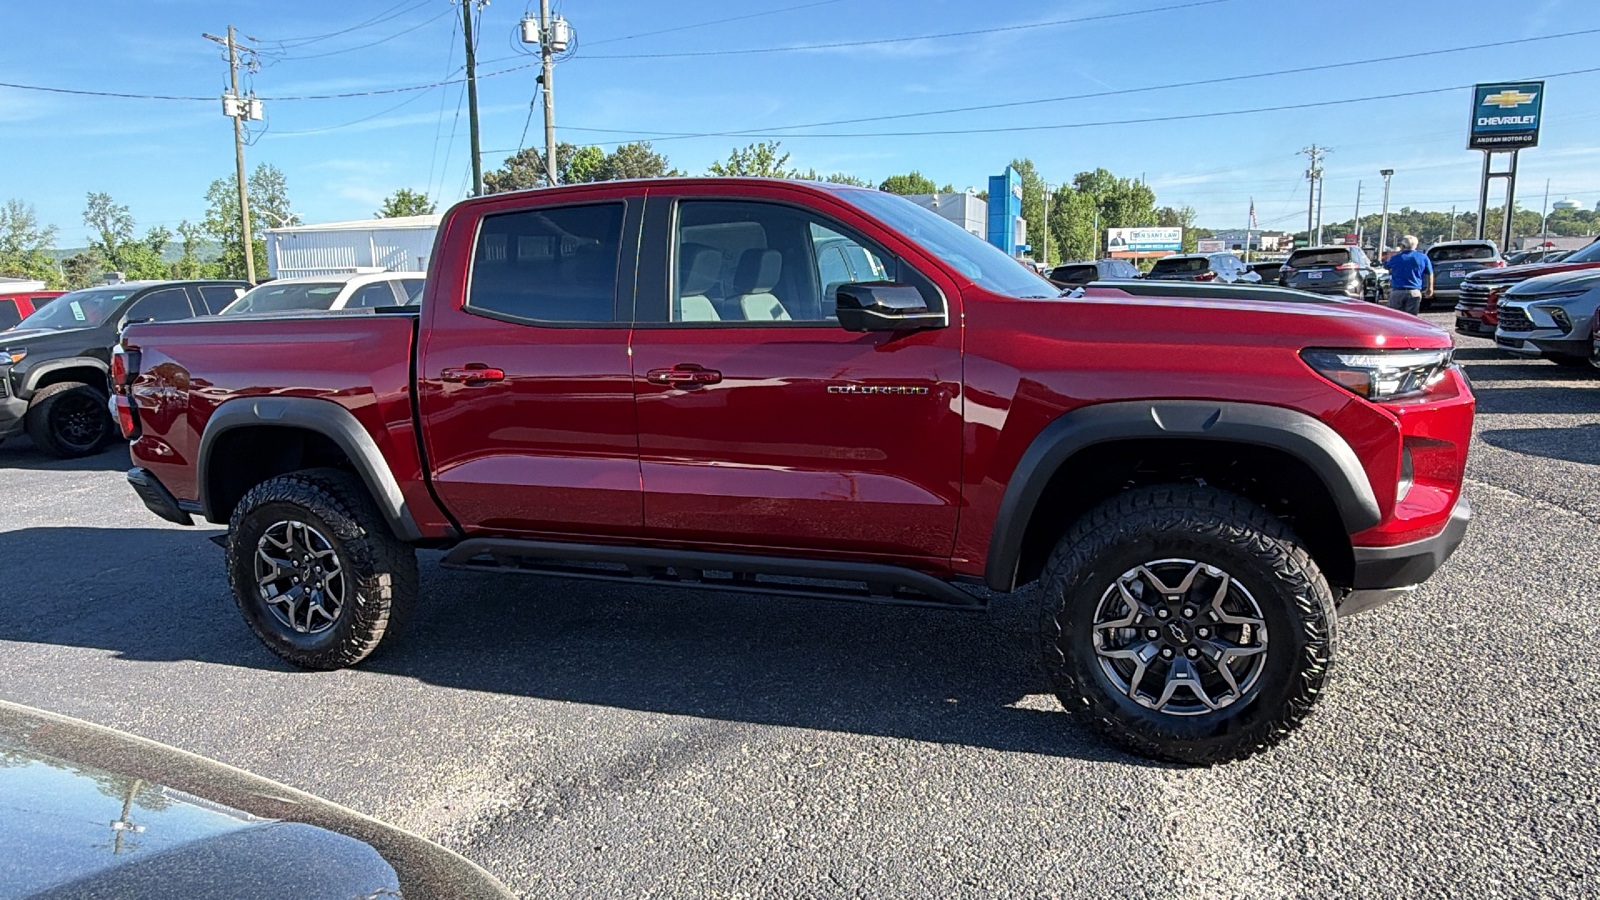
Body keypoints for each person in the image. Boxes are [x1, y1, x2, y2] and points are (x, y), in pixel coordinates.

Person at [1384, 235, 1433, 315]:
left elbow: (1386, 265)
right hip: (1414, 292)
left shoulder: (1396, 258)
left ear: (1403, 246)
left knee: (1394, 318)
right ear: (1416, 245)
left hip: (1397, 292)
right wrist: (1430, 288)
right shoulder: (1423, 258)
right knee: (1411, 319)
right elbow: (1430, 273)